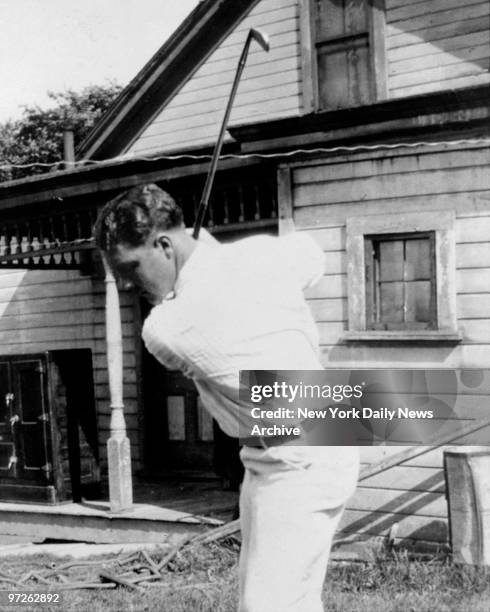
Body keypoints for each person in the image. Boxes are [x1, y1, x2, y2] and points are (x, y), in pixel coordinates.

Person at [94, 183, 359, 612]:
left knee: (267, 606)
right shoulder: (259, 255)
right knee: (284, 600)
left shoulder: (165, 328)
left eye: (130, 266)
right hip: (296, 446)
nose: (125, 283)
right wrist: (225, 254)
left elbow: (190, 310)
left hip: (299, 456)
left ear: (164, 245)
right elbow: (313, 256)